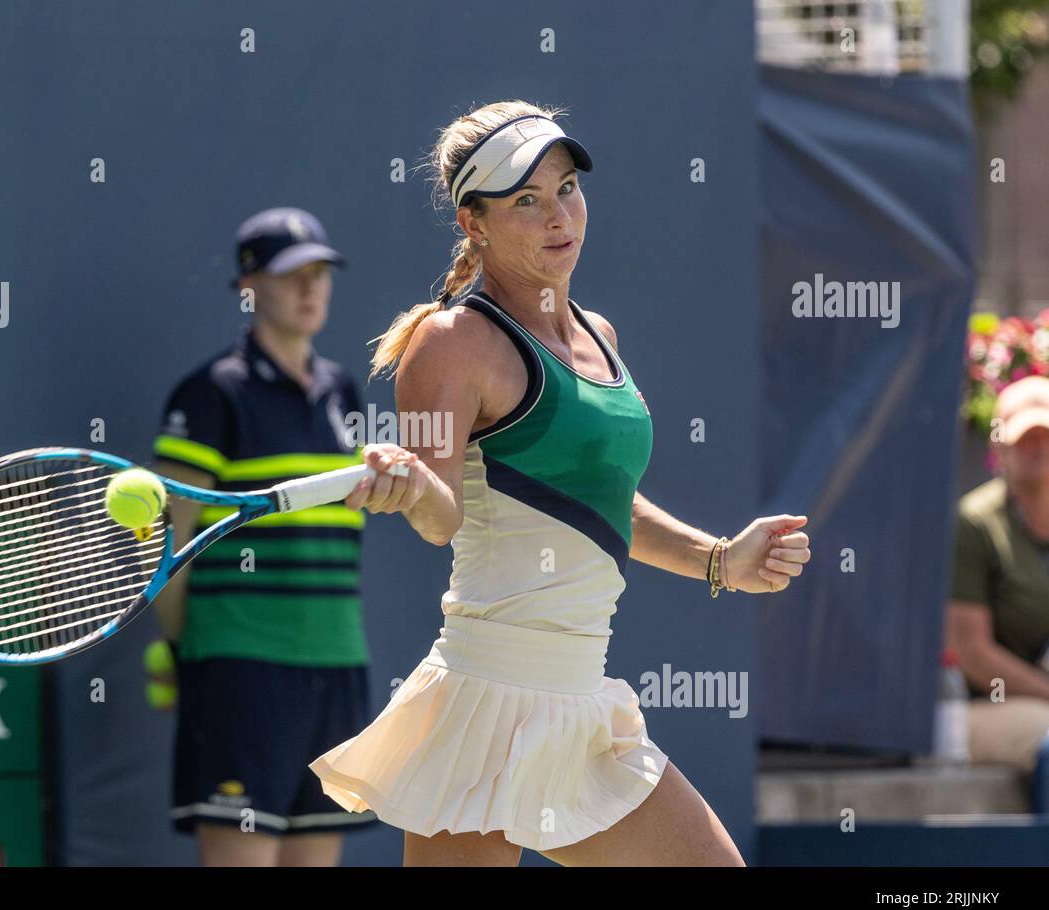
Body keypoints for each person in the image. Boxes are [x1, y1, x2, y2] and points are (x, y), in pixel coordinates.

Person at [308, 100, 812, 866]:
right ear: (473, 223)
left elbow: (599, 500)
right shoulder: (449, 346)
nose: (558, 215)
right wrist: (411, 485)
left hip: (582, 702)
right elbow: (442, 516)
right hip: (485, 699)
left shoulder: (597, 333)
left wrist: (720, 559)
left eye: (567, 187)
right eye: (525, 200)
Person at [151, 207, 379, 866]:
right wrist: (183, 651)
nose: (312, 290)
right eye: (291, 276)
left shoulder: (343, 392)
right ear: (250, 289)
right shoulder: (211, 393)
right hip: (240, 672)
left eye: (320, 274)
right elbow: (166, 547)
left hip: (336, 670)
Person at [947, 374, 1049, 782]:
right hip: (987, 708)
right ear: (998, 448)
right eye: (1025, 438)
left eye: (1045, 436)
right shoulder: (973, 524)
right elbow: (974, 656)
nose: (1038, 449)